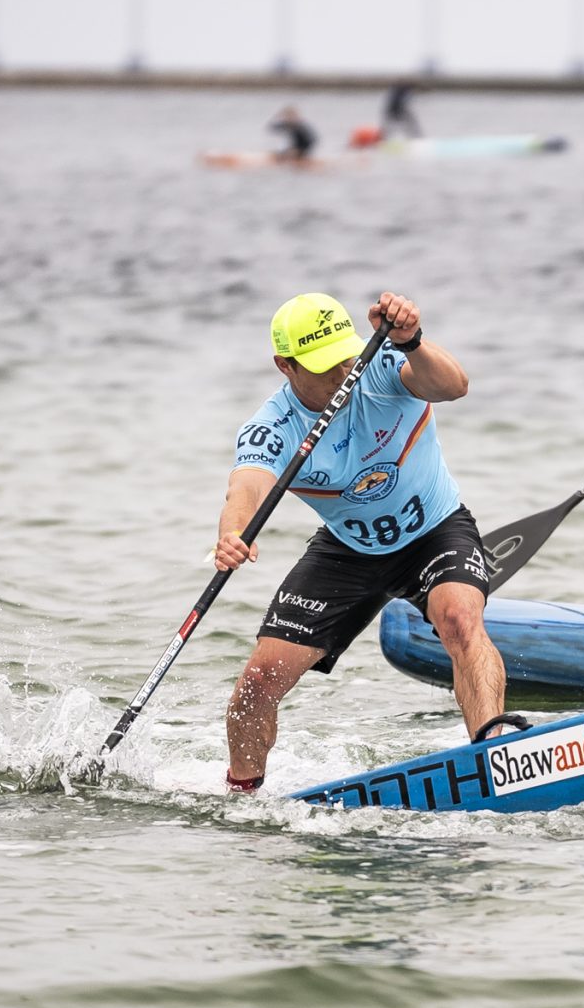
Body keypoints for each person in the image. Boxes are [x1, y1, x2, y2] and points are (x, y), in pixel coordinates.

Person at [212, 290, 508, 792]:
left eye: (344, 355)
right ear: (286, 366)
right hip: (347, 551)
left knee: (459, 618)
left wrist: (412, 341)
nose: (342, 372)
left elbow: (454, 386)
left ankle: (495, 756)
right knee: (256, 685)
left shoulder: (382, 367)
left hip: (433, 529)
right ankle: (243, 798)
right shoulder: (273, 427)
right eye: (324, 365)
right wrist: (232, 533)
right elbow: (247, 486)